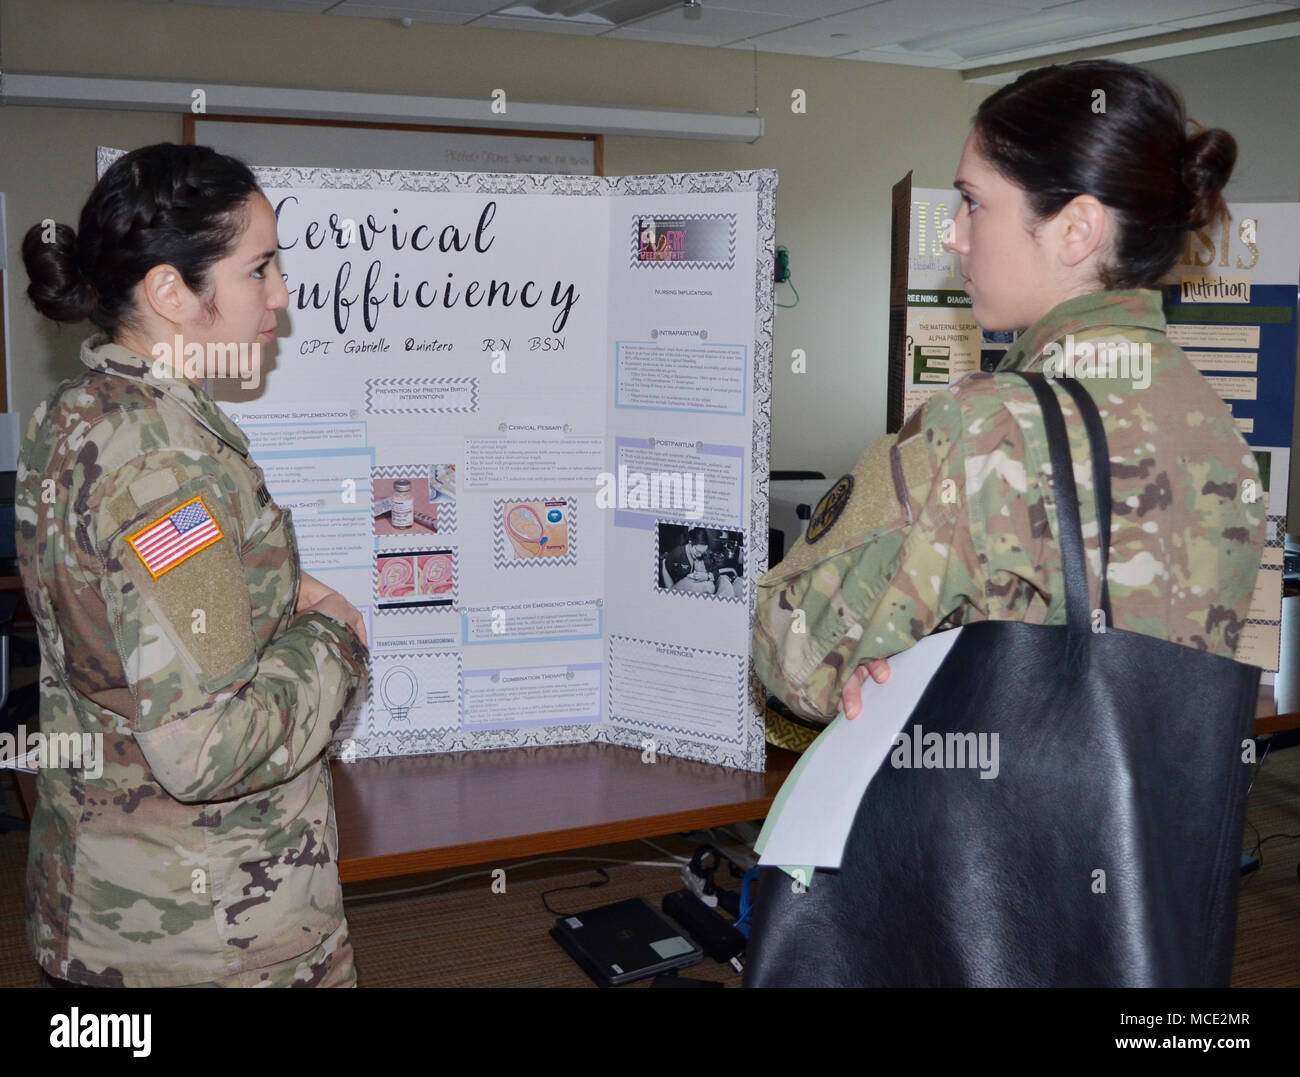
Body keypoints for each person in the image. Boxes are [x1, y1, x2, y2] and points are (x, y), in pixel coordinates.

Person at [754, 59, 1264, 728]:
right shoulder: (1215, 428)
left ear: (1076, 229)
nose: (954, 234)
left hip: (992, 828)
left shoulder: (980, 429)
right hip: (1160, 829)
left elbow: (796, 656)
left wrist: (896, 664)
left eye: (973, 202)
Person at [17, 143, 369, 987]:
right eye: (260, 268)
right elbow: (208, 746)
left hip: (107, 900)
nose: (280, 295)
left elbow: (130, 638)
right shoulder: (164, 472)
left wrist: (280, 588)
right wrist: (334, 637)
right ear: (173, 291)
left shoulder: (77, 414)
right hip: (213, 938)